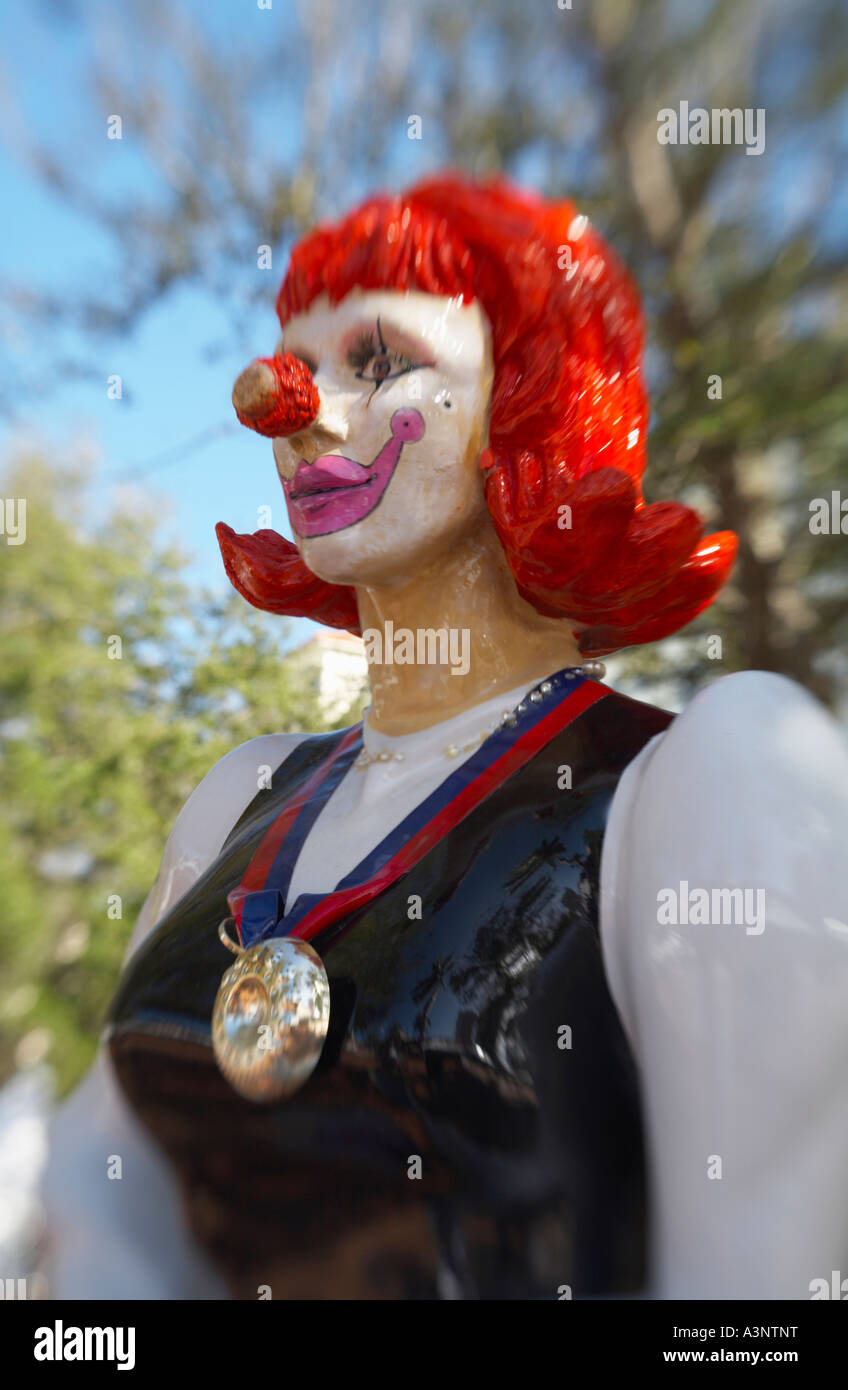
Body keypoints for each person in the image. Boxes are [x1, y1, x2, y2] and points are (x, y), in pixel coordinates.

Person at [43, 174, 848, 1301]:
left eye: (377, 363)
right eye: (296, 360)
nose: (282, 403)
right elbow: (102, 1179)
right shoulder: (243, 794)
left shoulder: (711, 781)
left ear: (526, 400)